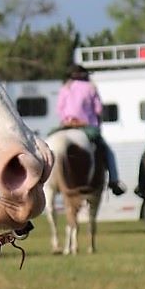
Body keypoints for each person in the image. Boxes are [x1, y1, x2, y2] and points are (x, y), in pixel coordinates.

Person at [55, 64, 125, 194]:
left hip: (66, 125)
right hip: (86, 126)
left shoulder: (65, 88)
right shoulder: (91, 88)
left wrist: (68, 119)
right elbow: (98, 109)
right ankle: (114, 181)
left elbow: (59, 109)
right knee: (108, 152)